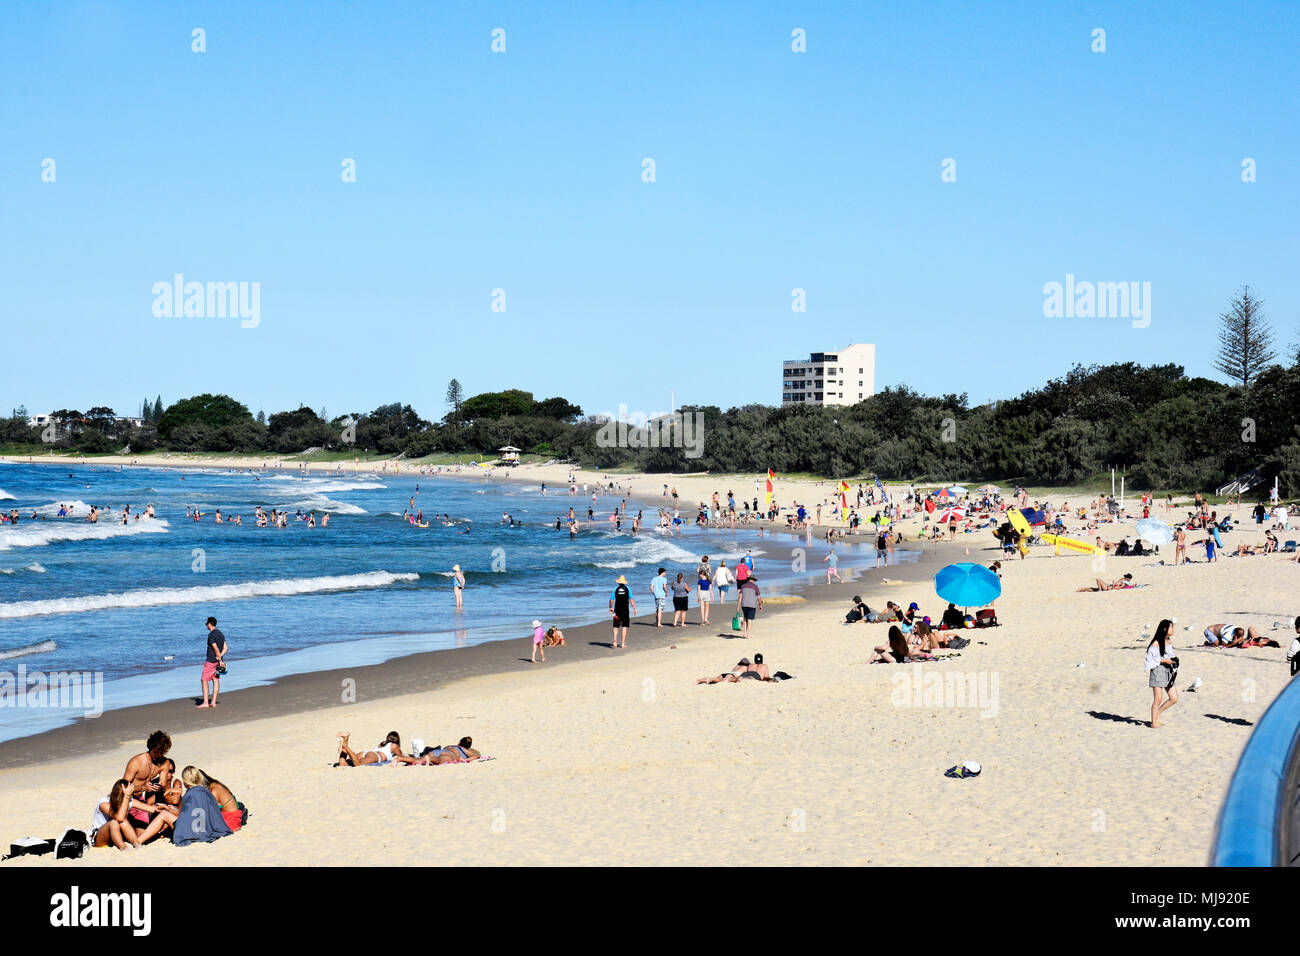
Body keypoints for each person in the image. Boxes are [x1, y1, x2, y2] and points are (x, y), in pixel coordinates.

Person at [180, 766, 245, 832]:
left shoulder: (214, 790)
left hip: (231, 820)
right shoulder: (212, 785)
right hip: (230, 816)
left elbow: (206, 812)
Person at [1146, 620, 1178, 728]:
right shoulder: (1156, 642)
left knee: (1174, 698)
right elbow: (1150, 660)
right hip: (1157, 671)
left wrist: (1174, 661)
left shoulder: (1169, 640)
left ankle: (1158, 712)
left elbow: (1169, 654)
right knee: (1158, 698)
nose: (1173, 630)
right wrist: (1164, 661)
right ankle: (1154, 723)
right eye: (1171, 628)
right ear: (1165, 629)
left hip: (1168, 671)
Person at [199, 616, 227, 708]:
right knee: (215, 680)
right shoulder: (220, 634)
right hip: (218, 662)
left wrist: (219, 658)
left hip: (211, 661)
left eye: (207, 623)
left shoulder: (211, 635)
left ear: (210, 624)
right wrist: (220, 658)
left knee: (204, 679)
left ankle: (206, 702)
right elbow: (226, 648)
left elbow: (215, 648)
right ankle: (213, 702)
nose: (206, 625)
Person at [336, 730, 406, 766]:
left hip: (365, 753)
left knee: (343, 764)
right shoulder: (394, 745)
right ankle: (346, 746)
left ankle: (345, 742)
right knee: (358, 764)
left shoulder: (382, 743)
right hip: (375, 756)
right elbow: (401, 757)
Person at [609, 574, 637, 648]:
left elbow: (612, 599)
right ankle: (623, 644)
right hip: (625, 610)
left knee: (616, 626)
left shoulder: (615, 589)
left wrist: (610, 607)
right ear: (624, 582)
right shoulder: (628, 589)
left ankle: (615, 641)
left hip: (617, 610)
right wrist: (634, 608)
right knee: (624, 626)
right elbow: (631, 600)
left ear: (618, 582)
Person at [736, 573, 762, 638]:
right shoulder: (755, 587)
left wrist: (738, 607)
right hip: (752, 605)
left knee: (745, 618)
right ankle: (749, 634)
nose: (755, 581)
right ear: (753, 580)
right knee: (750, 619)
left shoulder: (743, 586)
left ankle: (745, 633)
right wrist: (760, 605)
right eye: (754, 580)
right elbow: (758, 597)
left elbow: (740, 597)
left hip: (744, 604)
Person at [696, 556, 713, 625]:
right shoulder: (708, 564)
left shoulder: (700, 564)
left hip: (701, 579)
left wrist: (700, 573)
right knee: (707, 606)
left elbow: (697, 570)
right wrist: (707, 573)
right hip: (707, 578)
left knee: (702, 606)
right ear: (707, 560)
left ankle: (703, 620)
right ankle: (706, 619)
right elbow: (710, 571)